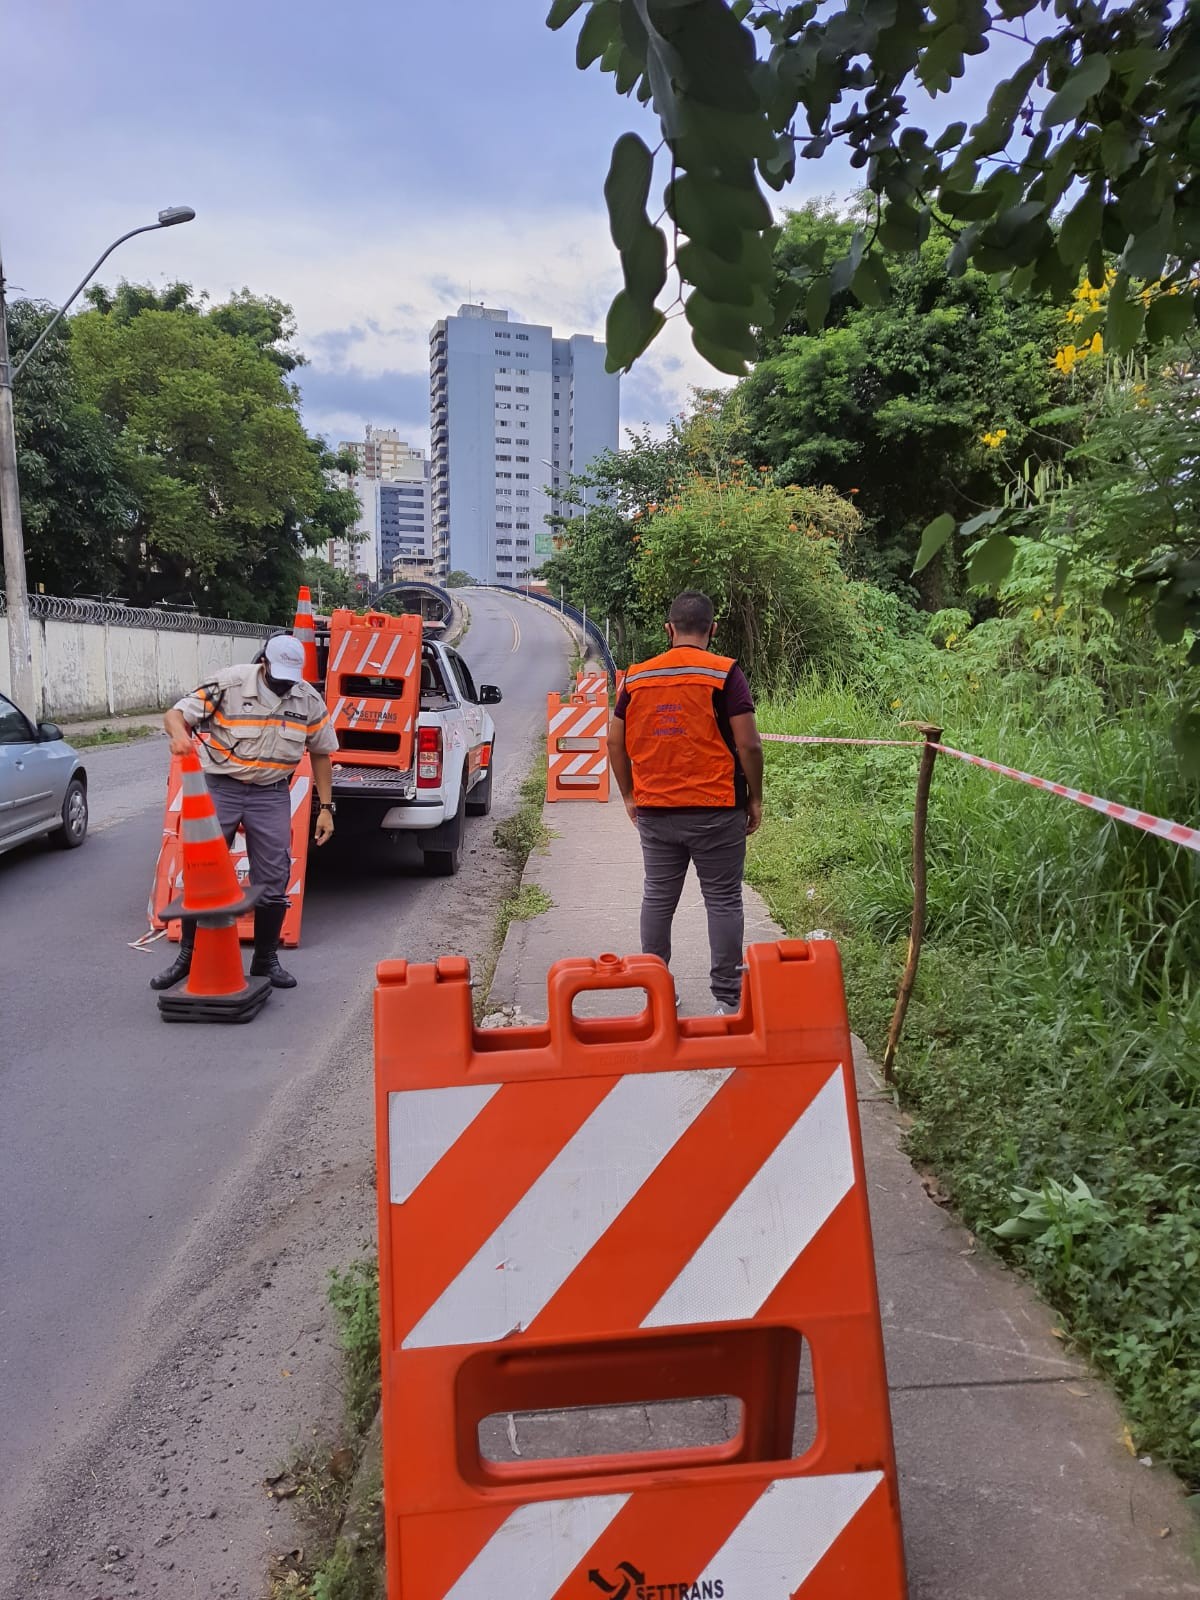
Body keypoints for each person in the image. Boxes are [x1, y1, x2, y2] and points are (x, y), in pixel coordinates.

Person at [151, 634, 338, 992]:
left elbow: (321, 752)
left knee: (274, 874)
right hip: (221, 788)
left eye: (290, 678)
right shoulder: (228, 683)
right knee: (201, 871)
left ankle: (266, 959)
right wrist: (179, 736)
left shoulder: (307, 699)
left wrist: (326, 808)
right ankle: (187, 957)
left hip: (270, 794)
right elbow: (175, 714)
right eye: (278, 675)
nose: (284, 684)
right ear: (263, 663)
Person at [608, 591, 764, 1015]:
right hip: (717, 808)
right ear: (712, 630)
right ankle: (728, 1001)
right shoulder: (725, 674)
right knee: (724, 899)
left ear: (668, 630)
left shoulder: (637, 678)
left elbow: (614, 740)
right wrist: (755, 798)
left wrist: (627, 793)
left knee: (658, 897)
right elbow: (748, 744)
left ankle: (656, 992)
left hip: (656, 809)